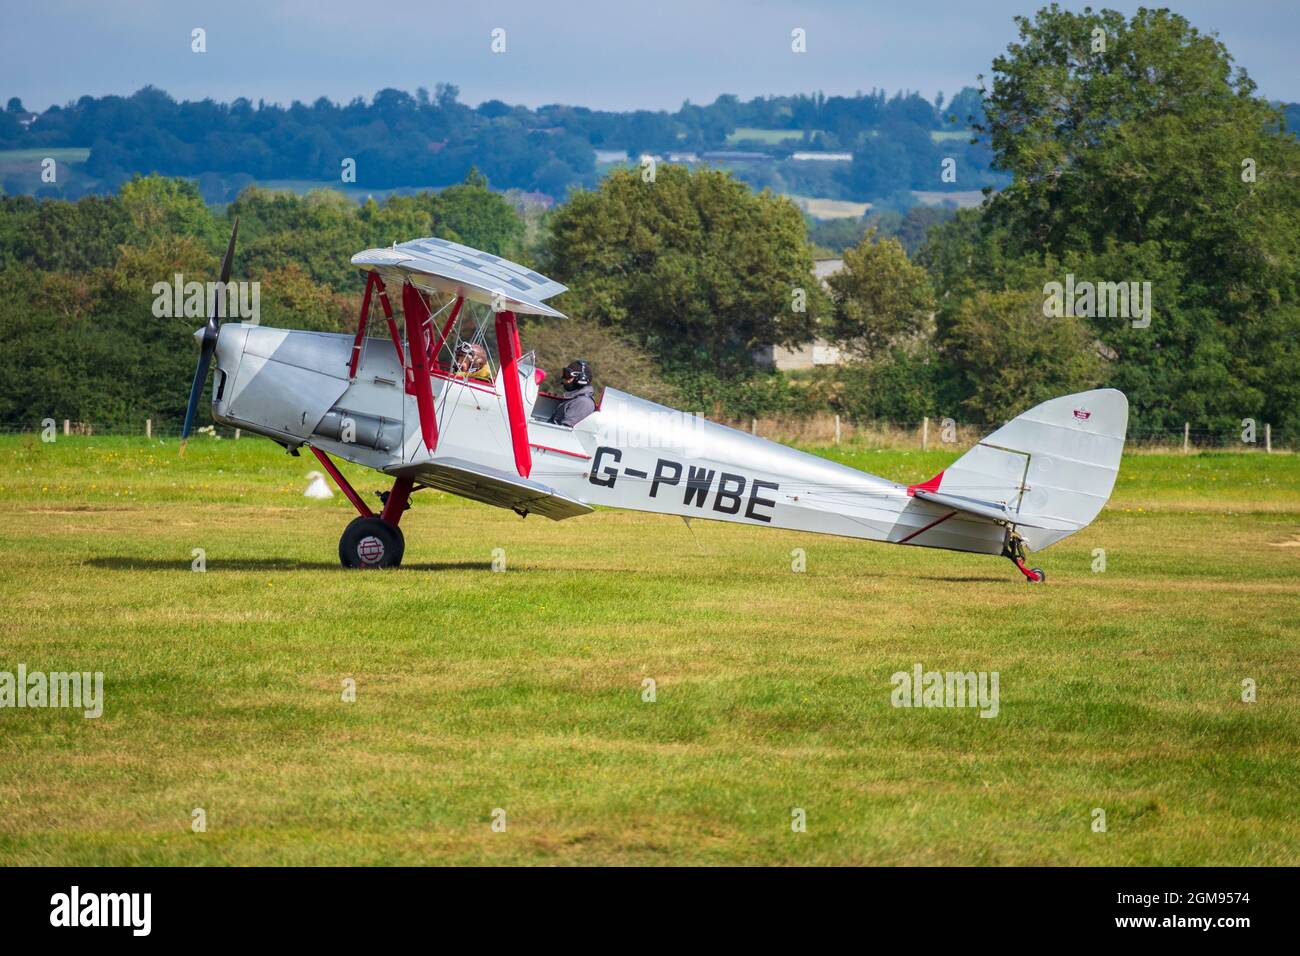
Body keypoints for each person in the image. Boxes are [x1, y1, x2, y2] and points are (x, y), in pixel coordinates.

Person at [548, 360, 596, 426]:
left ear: (581, 379)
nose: (565, 381)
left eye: (568, 376)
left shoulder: (583, 403)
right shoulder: (575, 399)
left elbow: (563, 432)